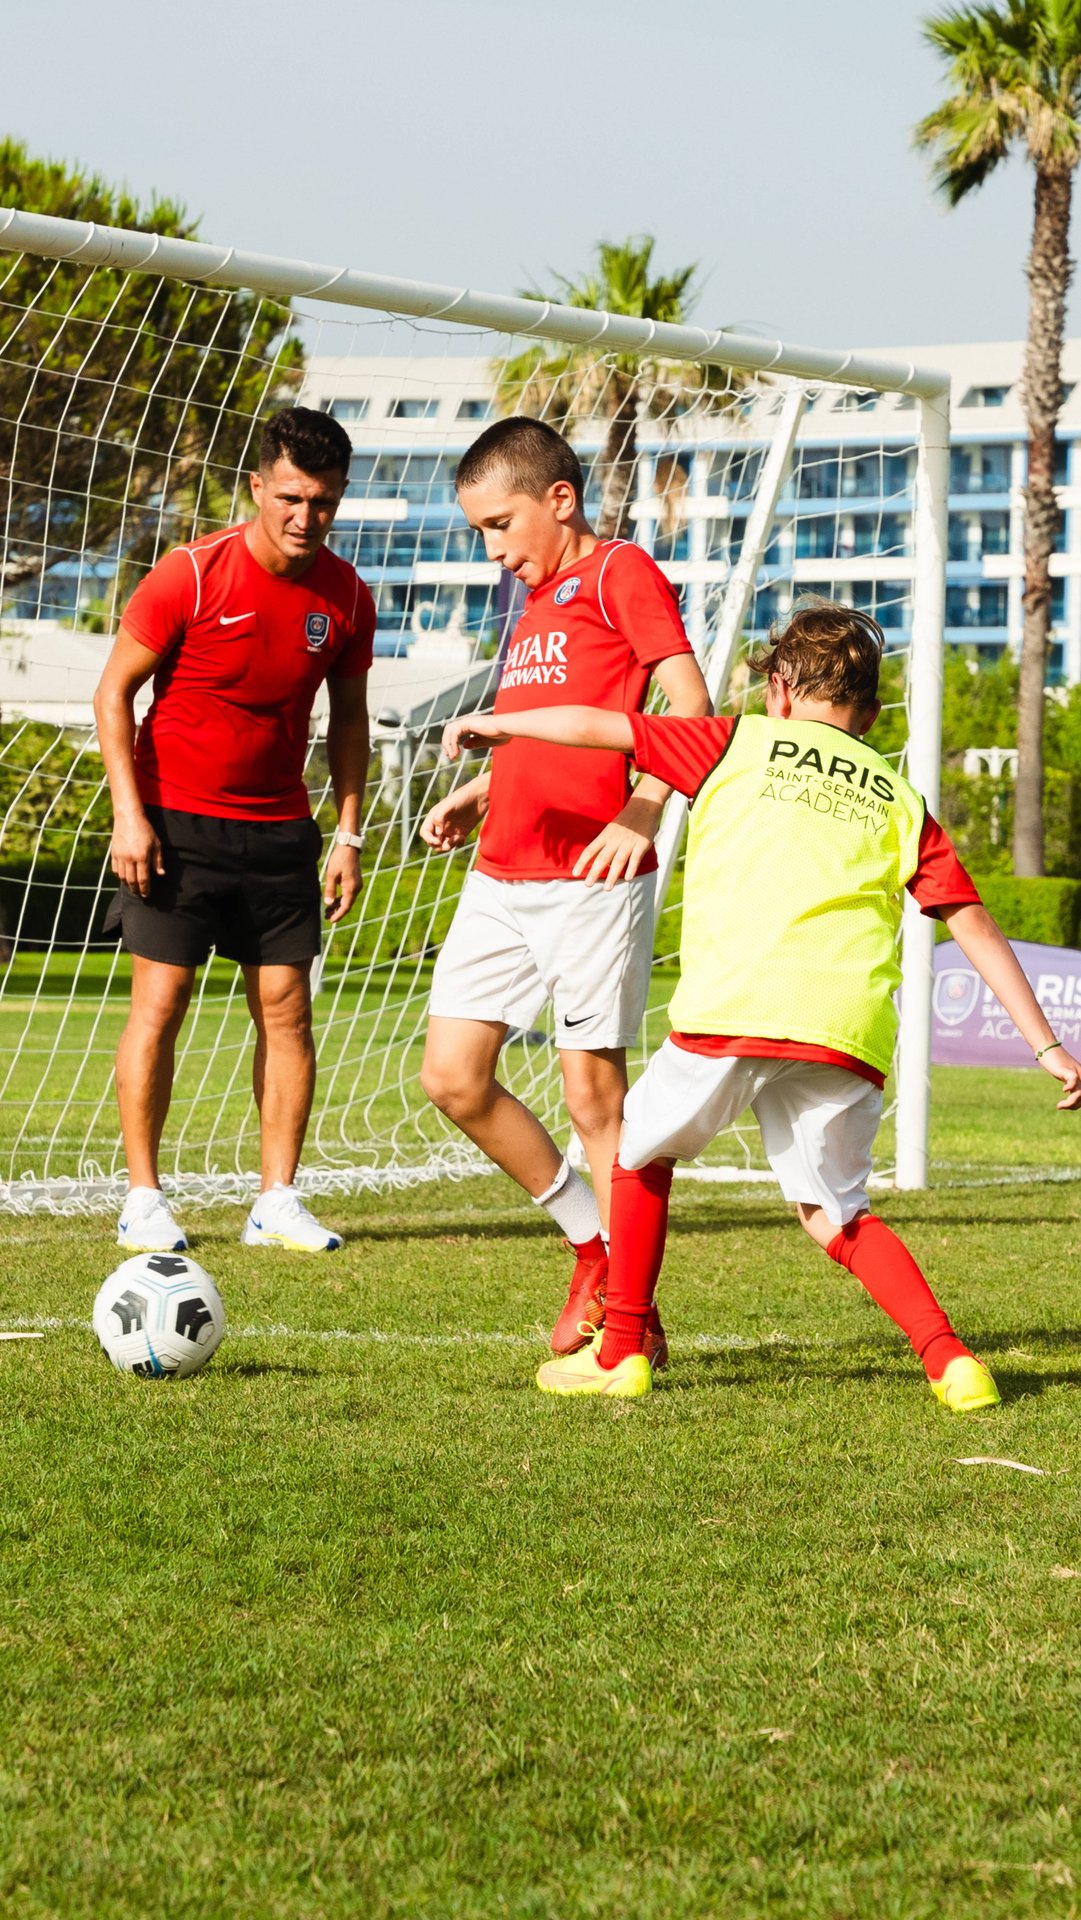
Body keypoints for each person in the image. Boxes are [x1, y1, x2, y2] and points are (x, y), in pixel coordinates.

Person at [442, 600, 1081, 1406]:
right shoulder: (898, 797)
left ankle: (622, 1354)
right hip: (845, 1029)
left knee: (634, 1150)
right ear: (871, 715)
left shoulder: (731, 739)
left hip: (736, 1005)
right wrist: (1047, 1047)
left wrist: (502, 722)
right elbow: (975, 926)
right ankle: (951, 1360)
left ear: (777, 690)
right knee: (836, 1213)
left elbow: (600, 725)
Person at [419, 416, 710, 1358]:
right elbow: (546, 738)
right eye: (480, 535)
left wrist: (645, 810)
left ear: (559, 500)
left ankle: (633, 1316)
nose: (496, 551)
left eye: (502, 525)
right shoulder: (534, 605)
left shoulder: (619, 572)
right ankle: (593, 1246)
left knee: (594, 1100)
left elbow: (690, 706)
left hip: (592, 874)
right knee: (453, 1079)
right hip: (501, 871)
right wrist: (477, 791)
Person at [94, 406, 374, 1255]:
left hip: (281, 832)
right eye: (290, 497)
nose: (305, 517)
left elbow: (350, 721)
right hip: (173, 826)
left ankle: (276, 1201)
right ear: (258, 487)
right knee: (162, 1004)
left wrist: (349, 833)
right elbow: (114, 694)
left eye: (323, 502)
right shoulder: (190, 574)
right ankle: (143, 1199)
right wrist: (128, 816)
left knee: (287, 1012)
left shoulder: (347, 593)